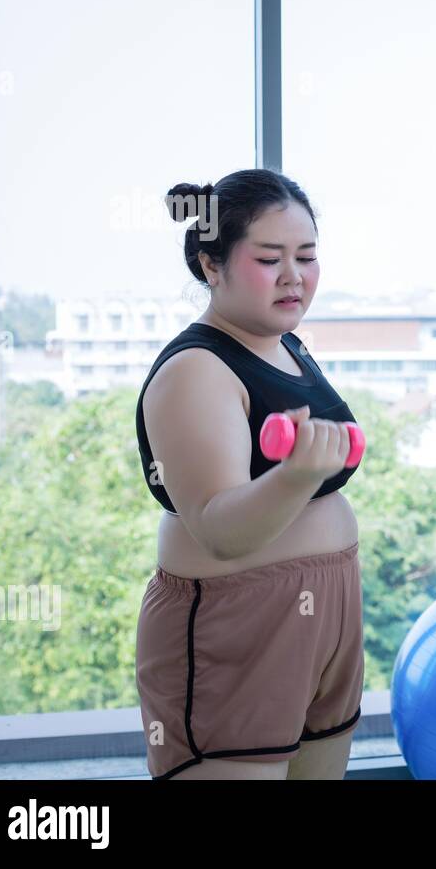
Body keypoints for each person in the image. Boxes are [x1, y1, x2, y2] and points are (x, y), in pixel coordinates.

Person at [134, 169, 363, 780]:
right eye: (270, 258)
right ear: (212, 265)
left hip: (327, 618)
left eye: (307, 256)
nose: (295, 275)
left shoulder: (288, 344)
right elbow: (218, 527)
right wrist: (294, 477)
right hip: (234, 630)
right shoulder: (195, 370)